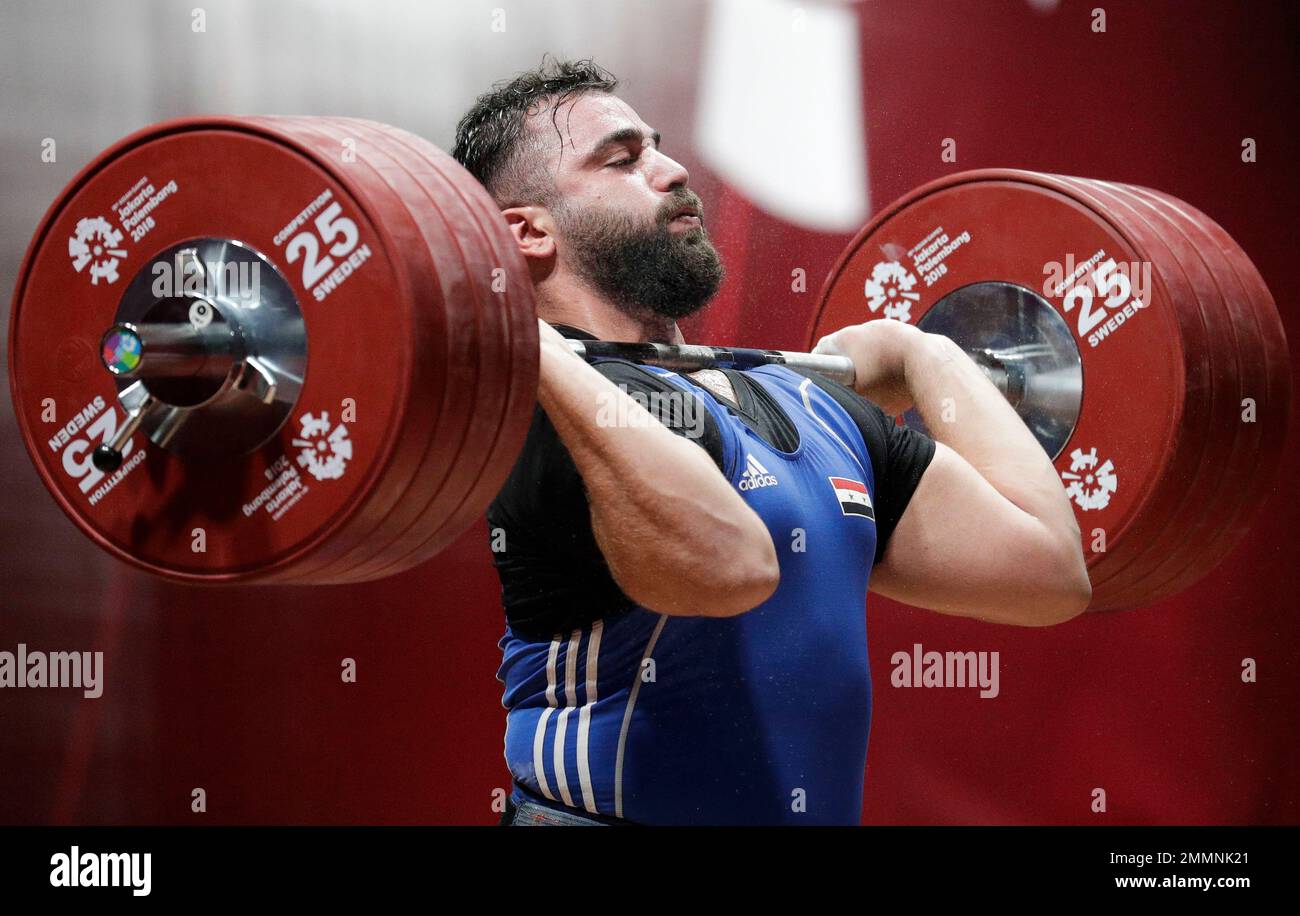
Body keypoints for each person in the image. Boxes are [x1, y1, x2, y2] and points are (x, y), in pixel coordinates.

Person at [451, 58, 1090, 826]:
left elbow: (1050, 574)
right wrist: (533, 347)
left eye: (656, 146)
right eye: (622, 159)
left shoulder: (809, 407)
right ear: (526, 232)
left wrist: (928, 355)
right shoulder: (550, 408)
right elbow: (729, 568)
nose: (672, 167)